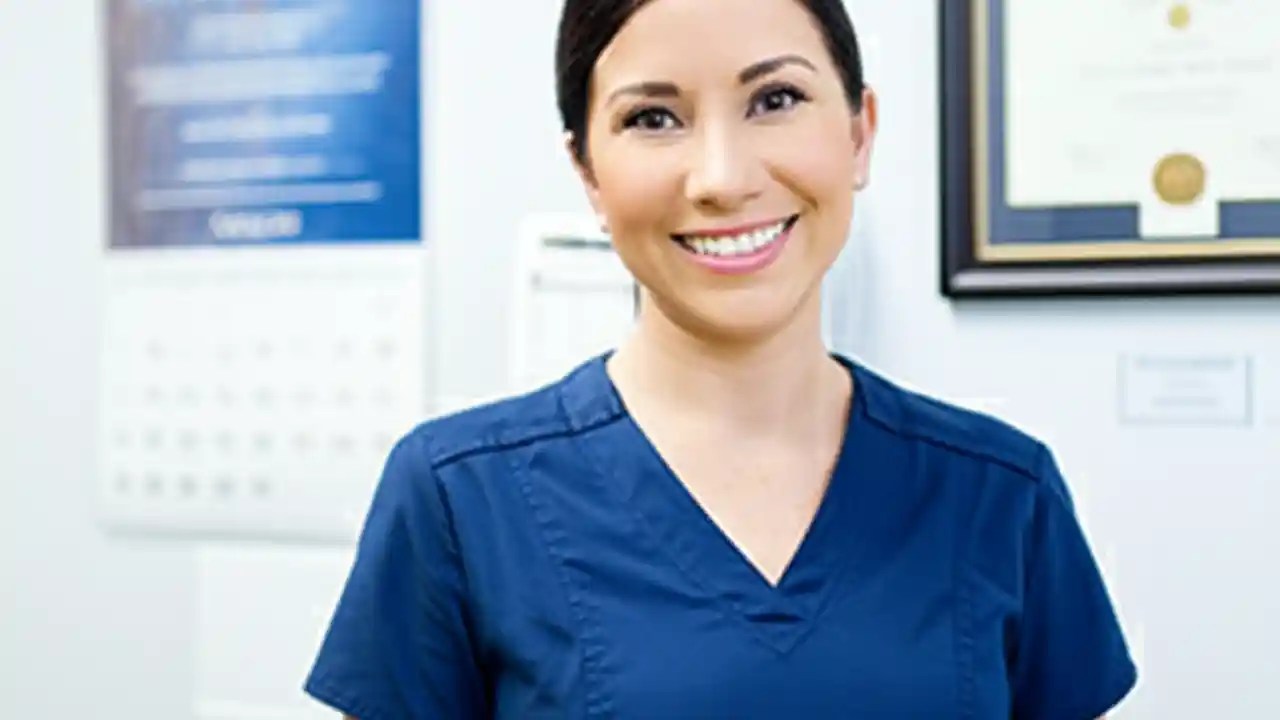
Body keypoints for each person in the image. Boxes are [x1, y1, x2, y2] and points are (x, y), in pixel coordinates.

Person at [304, 0, 1139, 717]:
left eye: (775, 99)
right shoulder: (460, 498)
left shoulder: (1001, 496)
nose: (722, 178)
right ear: (588, 172)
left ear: (859, 135)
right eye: (652, 118)